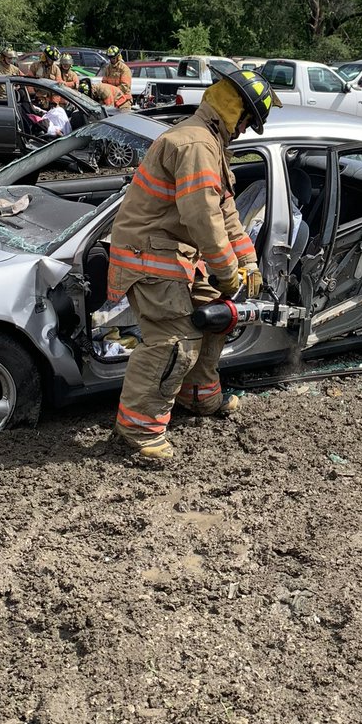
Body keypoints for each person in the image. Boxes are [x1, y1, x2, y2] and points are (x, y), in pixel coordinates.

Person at [107, 70, 280, 461]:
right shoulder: (197, 144)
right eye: (249, 122)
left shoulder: (211, 142)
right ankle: (138, 429)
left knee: (216, 315)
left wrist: (248, 261)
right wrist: (226, 270)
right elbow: (202, 217)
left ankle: (199, 395)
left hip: (175, 257)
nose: (246, 131)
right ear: (236, 112)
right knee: (175, 342)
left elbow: (225, 211)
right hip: (150, 258)